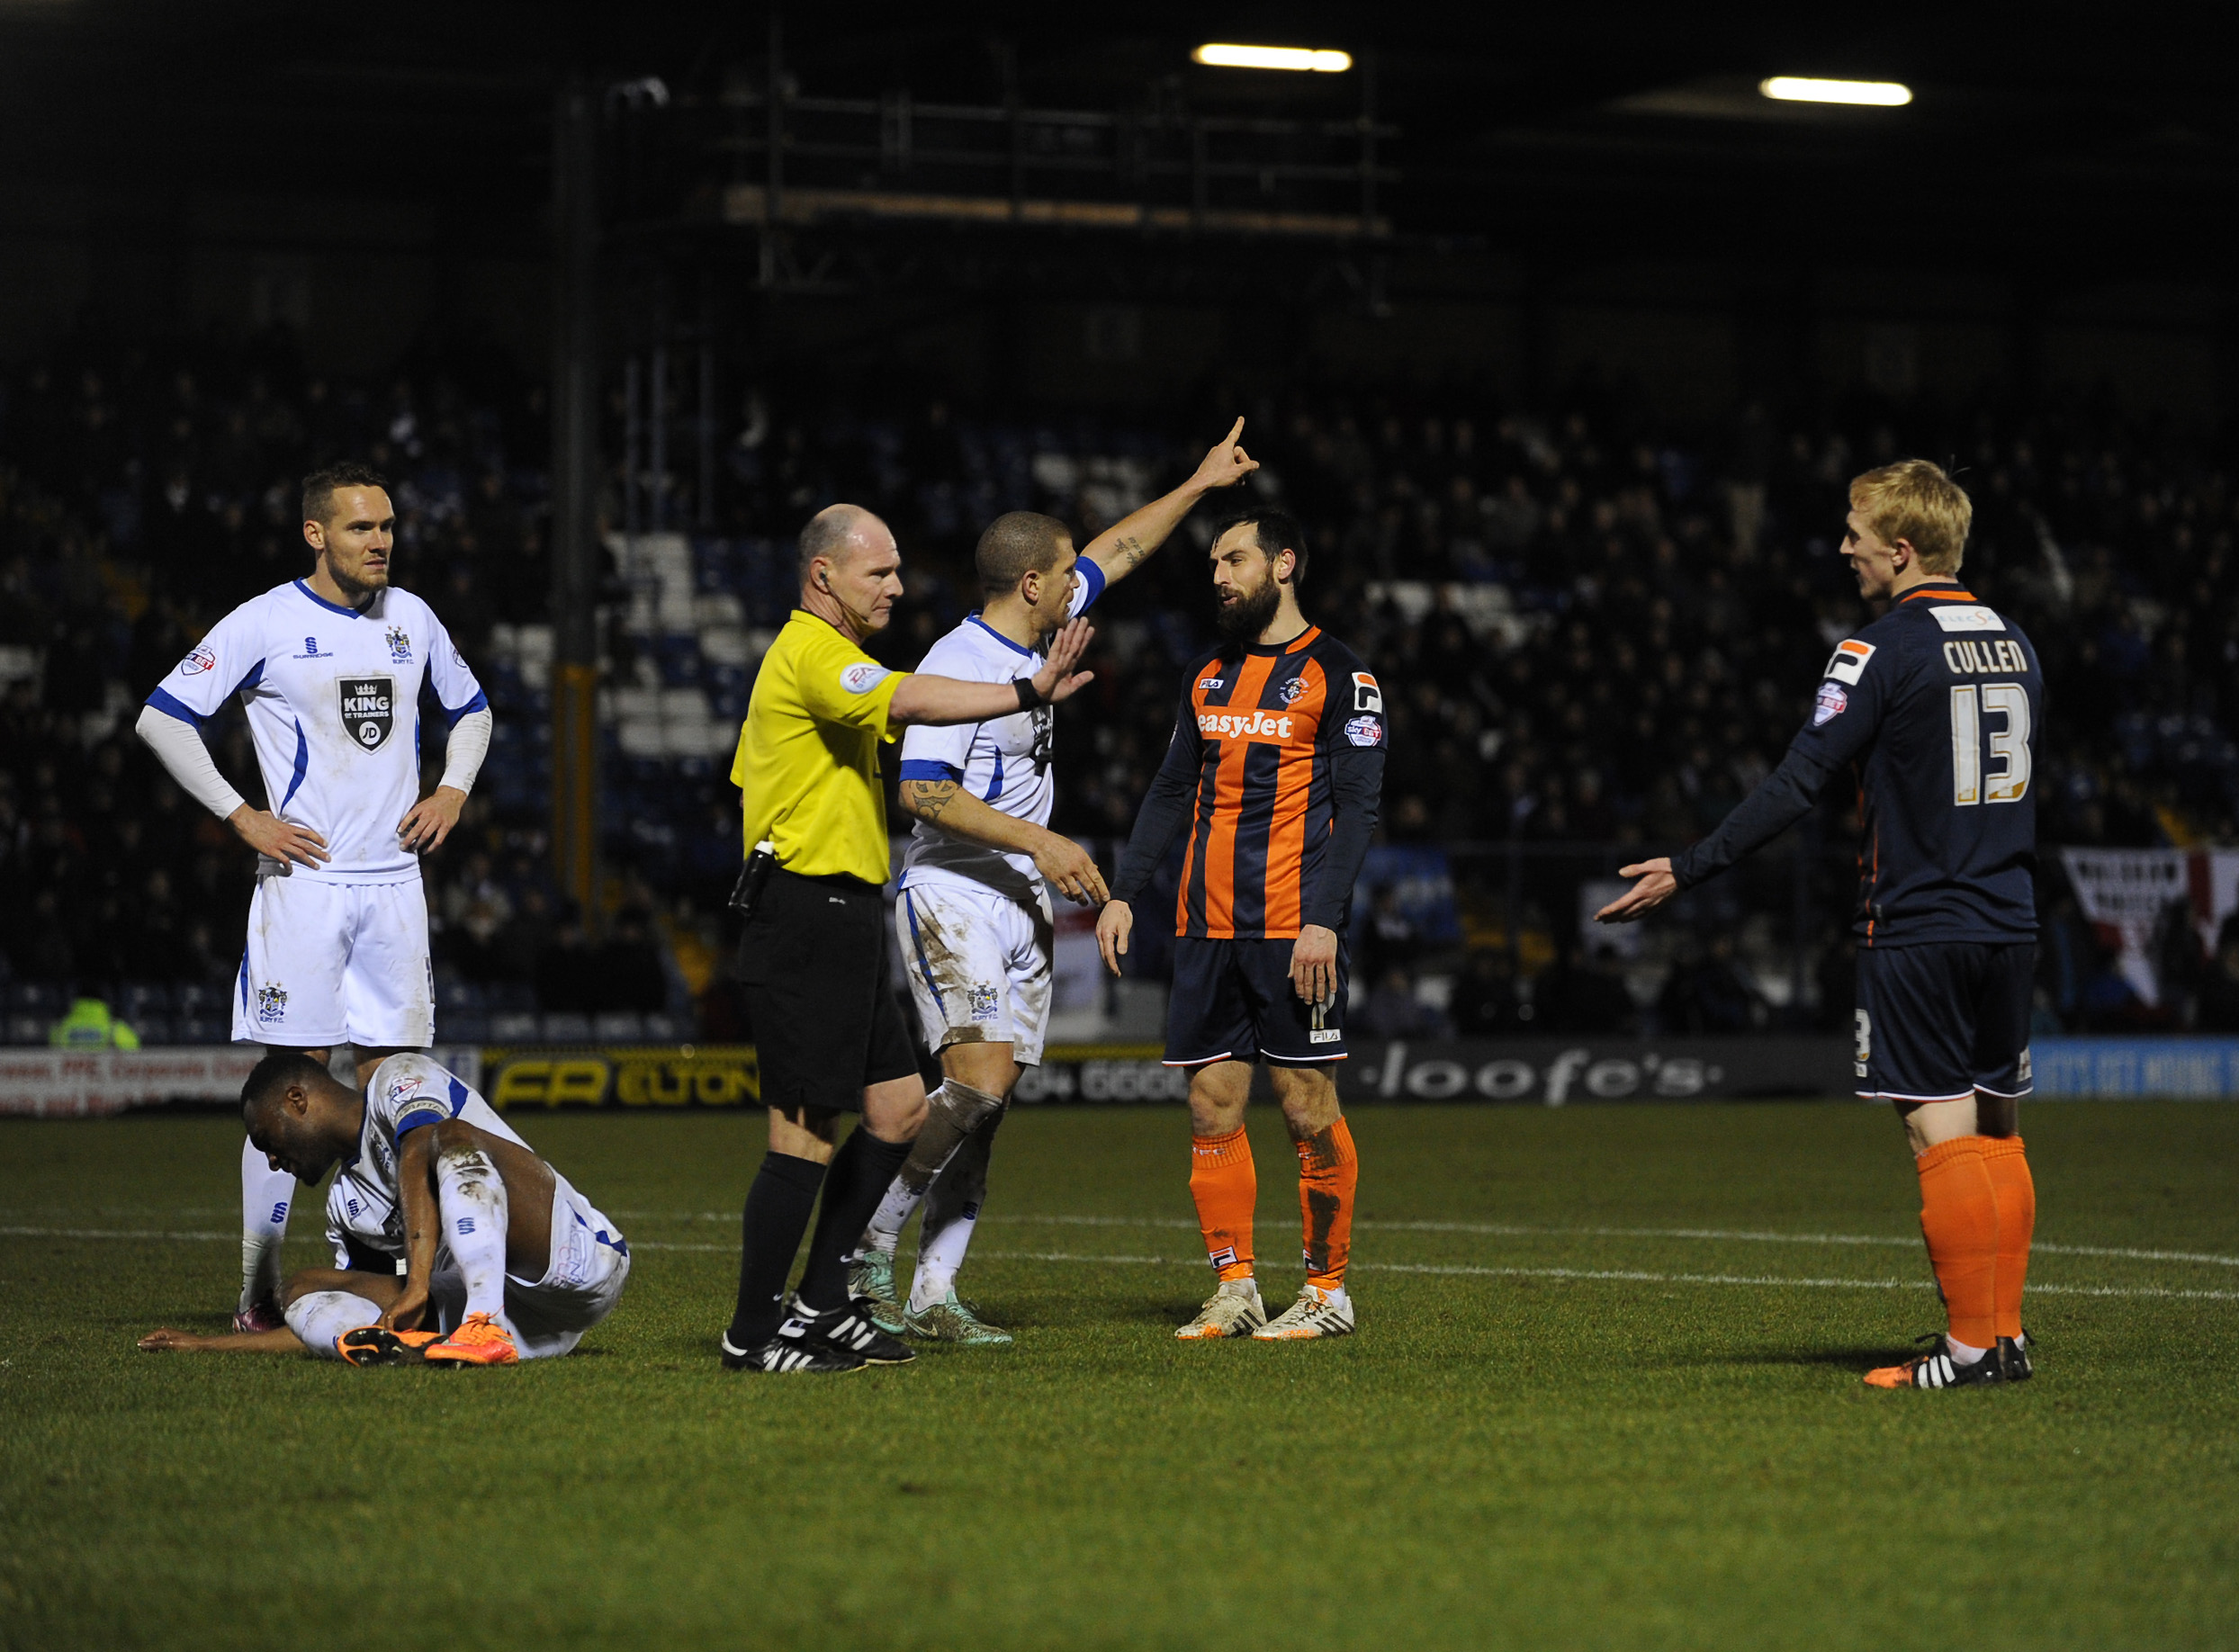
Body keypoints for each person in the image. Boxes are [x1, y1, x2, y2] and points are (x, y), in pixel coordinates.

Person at [1597, 459, 2041, 1390]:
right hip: (2009, 921)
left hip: (1920, 921)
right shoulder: (2014, 642)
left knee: (1940, 1133)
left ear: (1901, 548)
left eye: (1854, 532)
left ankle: (1966, 1354)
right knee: (1997, 1130)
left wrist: (1691, 862)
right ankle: (2000, 1336)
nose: (1843, 547)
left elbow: (1800, 780)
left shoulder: (1876, 651)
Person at [852, 419, 1261, 1344]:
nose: (1084, 582)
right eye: (1065, 572)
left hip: (1019, 903)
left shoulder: (1041, 615)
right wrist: (1038, 842)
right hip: (954, 890)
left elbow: (1120, 548)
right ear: (1031, 584)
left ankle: (932, 1298)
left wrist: (1197, 484)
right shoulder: (955, 665)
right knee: (977, 1086)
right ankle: (862, 1252)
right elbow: (921, 791)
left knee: (986, 1112)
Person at [720, 502, 1098, 1374]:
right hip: (803, 908)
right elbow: (910, 697)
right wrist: (1026, 690)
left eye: (896, 571)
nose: (898, 585)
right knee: (805, 1133)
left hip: (846, 909)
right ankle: (752, 1333)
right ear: (824, 576)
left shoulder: (833, 657)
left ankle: (823, 1302)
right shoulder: (812, 654)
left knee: (894, 1111)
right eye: (879, 573)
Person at [135, 463, 490, 1334]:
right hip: (306, 884)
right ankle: (258, 1295)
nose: (381, 542)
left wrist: (452, 790)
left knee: (393, 1081)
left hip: (394, 885)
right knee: (289, 1086)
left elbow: (473, 707)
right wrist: (241, 815)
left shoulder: (412, 617)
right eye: (362, 528)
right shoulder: (266, 620)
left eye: (389, 527)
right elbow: (162, 716)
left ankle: (397, 1274)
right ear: (315, 535)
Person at [1095, 510, 1387, 1341]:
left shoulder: (1342, 675)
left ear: (1284, 563)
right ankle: (1236, 1288)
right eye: (1213, 562)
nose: (1218, 575)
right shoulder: (1207, 675)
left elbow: (1360, 809)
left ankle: (1328, 1293)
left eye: (1235, 559)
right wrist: (1124, 892)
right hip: (1206, 927)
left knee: (1304, 1103)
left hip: (1294, 929)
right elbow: (1167, 792)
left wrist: (1325, 922)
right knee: (1211, 1103)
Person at [137, 1049, 627, 1366]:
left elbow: (416, 1150)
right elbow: (348, 1313)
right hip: (531, 1326)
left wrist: (417, 1284)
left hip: (576, 1261)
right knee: (303, 1287)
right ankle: (419, 1348)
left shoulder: (398, 1075)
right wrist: (208, 1346)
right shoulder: (345, 1208)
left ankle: (482, 1324)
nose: (270, 1159)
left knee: (446, 1138)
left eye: (267, 1138)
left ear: (297, 1099)